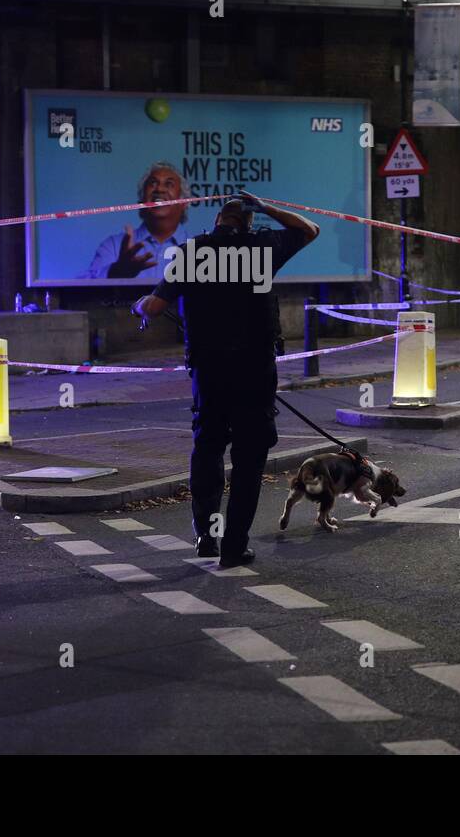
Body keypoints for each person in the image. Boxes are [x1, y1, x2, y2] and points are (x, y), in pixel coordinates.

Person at [133, 190, 320, 567]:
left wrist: (138, 306)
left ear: (216, 222)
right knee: (249, 459)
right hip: (254, 372)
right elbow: (310, 229)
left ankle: (206, 536)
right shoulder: (263, 248)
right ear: (249, 222)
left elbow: (154, 306)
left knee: (208, 451)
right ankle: (234, 546)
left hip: (210, 373)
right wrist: (267, 205)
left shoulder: (192, 252)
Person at [82, 162, 195, 279]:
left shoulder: (200, 249)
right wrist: (117, 271)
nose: (160, 189)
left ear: (184, 202)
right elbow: (82, 290)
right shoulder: (113, 246)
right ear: (141, 201)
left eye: (169, 184)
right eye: (153, 183)